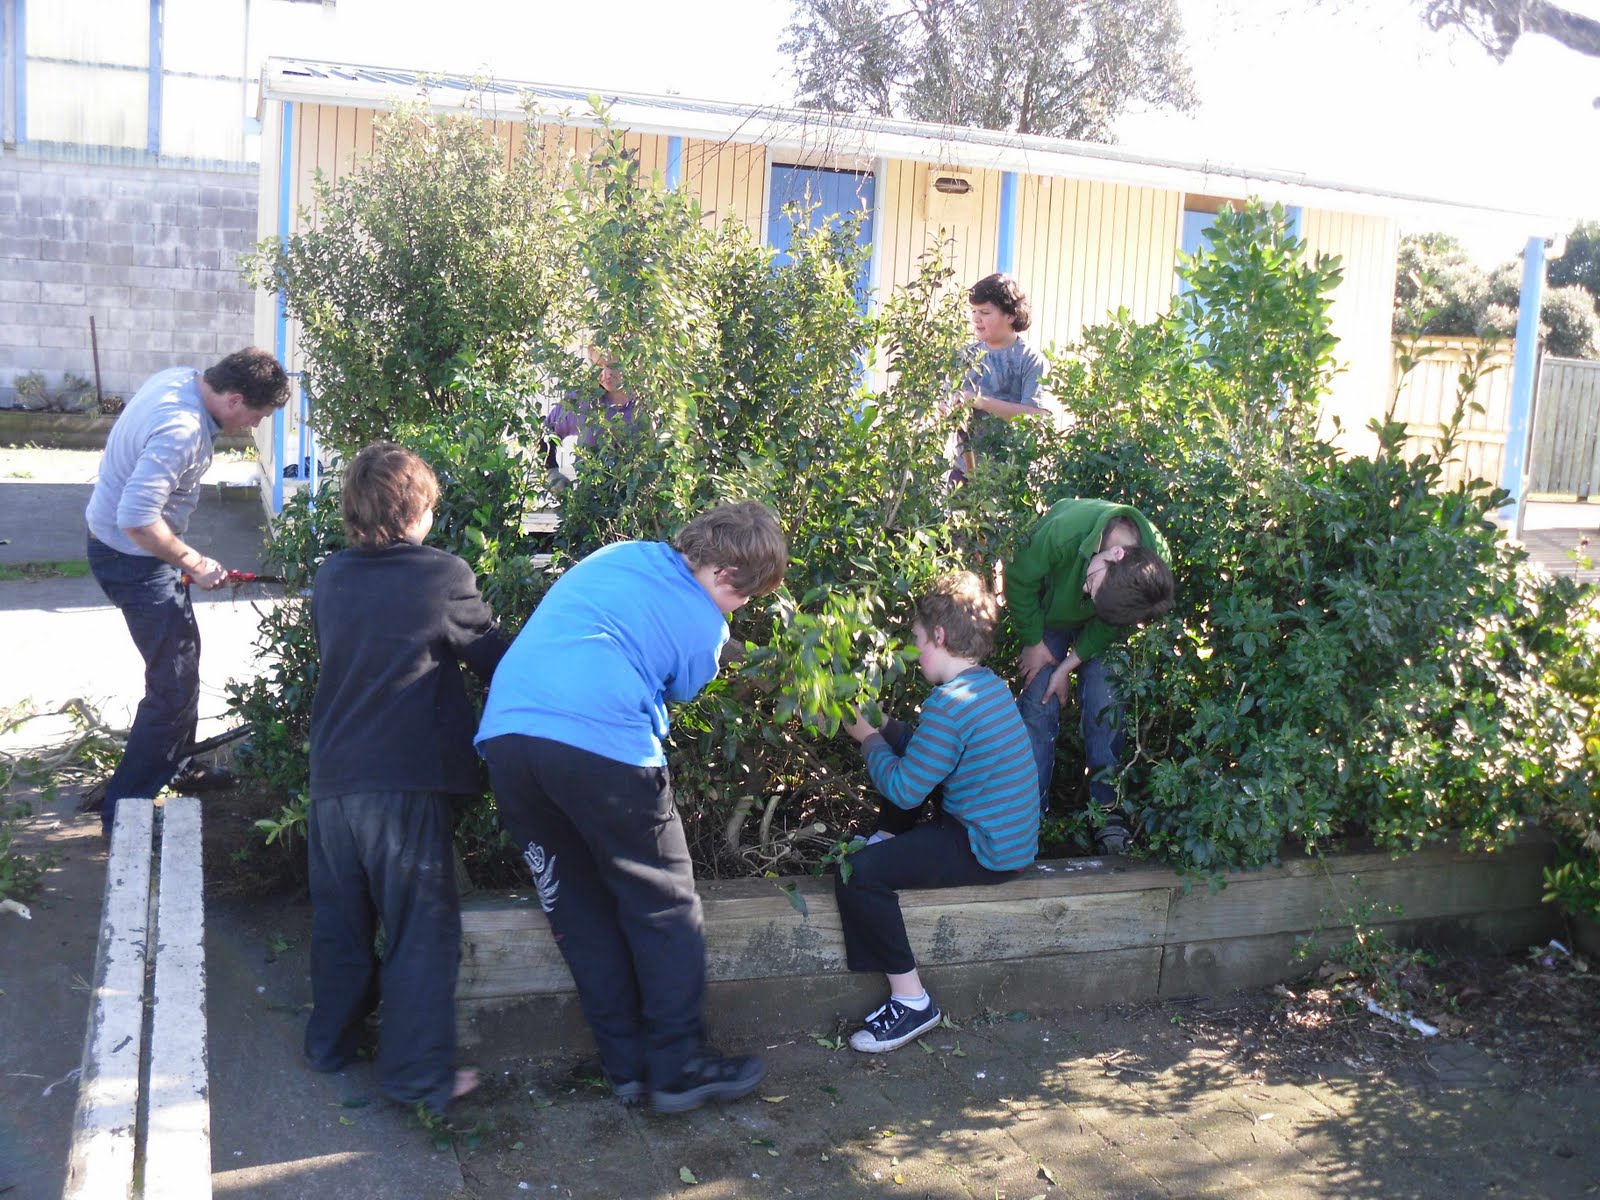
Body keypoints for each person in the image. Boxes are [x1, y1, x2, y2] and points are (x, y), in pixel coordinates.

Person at [475, 501, 788, 1114]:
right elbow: (679, 687)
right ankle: (676, 1066)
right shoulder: (706, 623)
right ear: (727, 577)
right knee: (663, 904)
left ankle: (626, 1067)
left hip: (508, 741)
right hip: (603, 746)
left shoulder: (622, 555)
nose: (738, 609)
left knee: (578, 907)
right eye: (744, 598)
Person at [302, 442, 508, 1119]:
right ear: (416, 509)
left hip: (334, 779)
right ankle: (418, 1075)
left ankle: (329, 1042)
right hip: (404, 780)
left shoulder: (331, 575)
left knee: (341, 918)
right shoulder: (442, 575)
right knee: (421, 927)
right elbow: (490, 658)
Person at [84, 347, 289, 835]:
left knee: (183, 660)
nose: (255, 425)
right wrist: (192, 561)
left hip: (125, 550)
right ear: (234, 397)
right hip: (131, 559)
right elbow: (135, 519)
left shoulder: (180, 379)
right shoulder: (183, 431)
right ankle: (125, 813)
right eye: (257, 415)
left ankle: (181, 763)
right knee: (172, 687)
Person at [837, 571, 1039, 1053]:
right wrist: (882, 722)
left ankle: (912, 1003)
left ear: (940, 637)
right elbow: (928, 752)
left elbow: (907, 790)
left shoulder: (949, 705)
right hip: (1003, 838)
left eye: (917, 639)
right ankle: (886, 842)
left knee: (856, 874)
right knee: (903, 754)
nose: (914, 649)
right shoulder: (985, 686)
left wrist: (866, 738)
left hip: (983, 848)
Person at [1005, 499, 1176, 850]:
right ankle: (1028, 818)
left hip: (1103, 626)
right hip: (1048, 617)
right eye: (1092, 586)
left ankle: (1108, 811)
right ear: (1115, 554)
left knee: (1105, 700)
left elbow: (1114, 623)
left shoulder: (1155, 566)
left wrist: (1069, 665)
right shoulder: (1064, 531)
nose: (1085, 590)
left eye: (1093, 591)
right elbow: (1019, 579)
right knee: (1040, 699)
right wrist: (1035, 642)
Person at [945, 273, 1049, 482]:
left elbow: (1036, 417)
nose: (976, 318)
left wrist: (979, 401)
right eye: (974, 311)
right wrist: (945, 408)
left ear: (1010, 315)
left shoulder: (1029, 359)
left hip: (1008, 475)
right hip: (964, 472)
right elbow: (943, 403)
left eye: (985, 312)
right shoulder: (964, 356)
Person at [543, 348, 637, 487]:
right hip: (591, 500)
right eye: (599, 366)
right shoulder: (582, 401)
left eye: (612, 366)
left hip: (640, 502)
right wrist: (552, 474)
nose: (606, 374)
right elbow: (546, 432)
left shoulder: (651, 405)